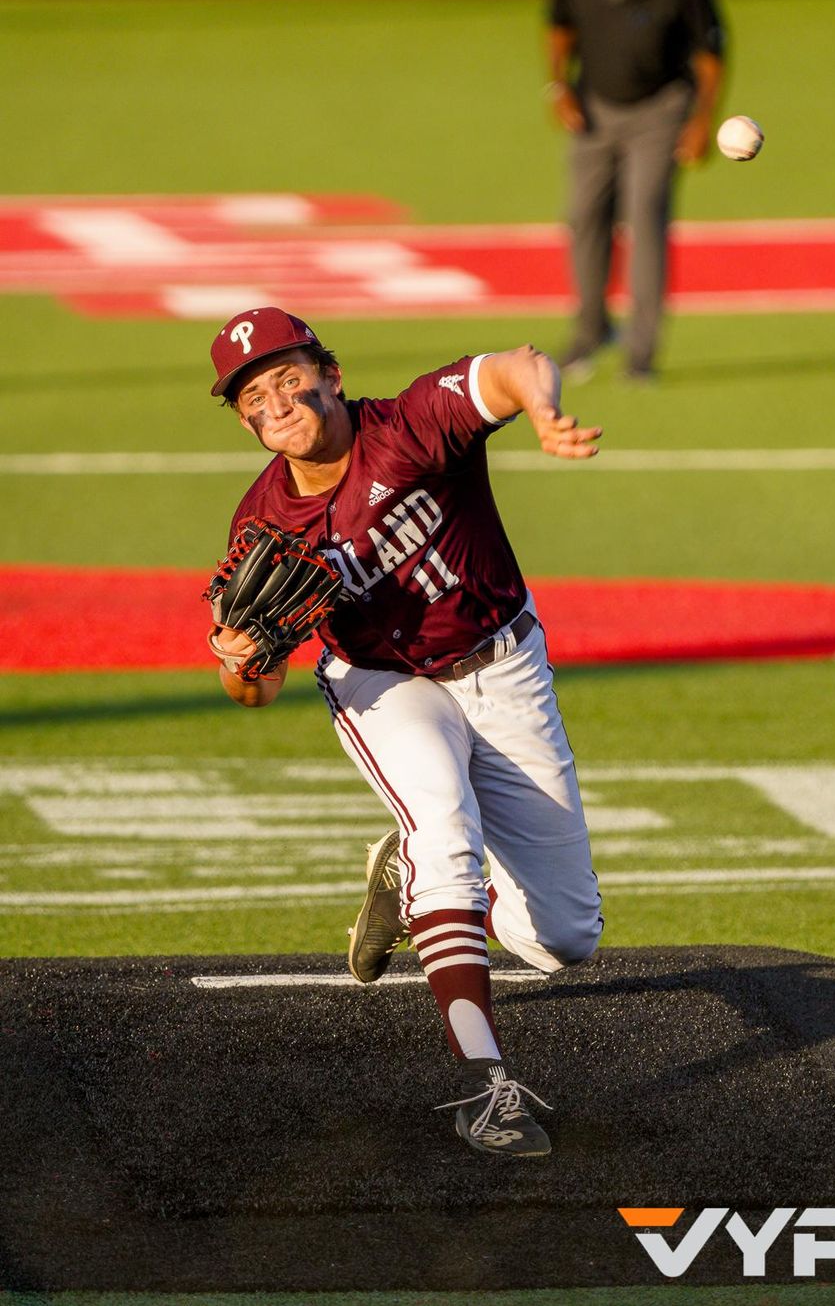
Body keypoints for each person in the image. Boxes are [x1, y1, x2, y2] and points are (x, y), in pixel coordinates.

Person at [206, 305, 604, 1158]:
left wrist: (540, 410)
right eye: (253, 397)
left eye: (287, 377)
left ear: (331, 373)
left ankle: (406, 878)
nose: (275, 402)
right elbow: (257, 690)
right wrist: (239, 661)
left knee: (563, 939)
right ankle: (484, 1085)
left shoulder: (411, 427)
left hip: (502, 663)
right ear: (242, 420)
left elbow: (516, 363)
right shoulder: (262, 524)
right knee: (447, 830)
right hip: (382, 684)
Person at [546, 0, 726, 380]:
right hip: (595, 105)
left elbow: (711, 52)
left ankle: (641, 352)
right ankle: (590, 330)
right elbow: (560, 24)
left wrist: (701, 121)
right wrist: (559, 87)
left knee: (645, 217)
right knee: (583, 215)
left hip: (660, 109)